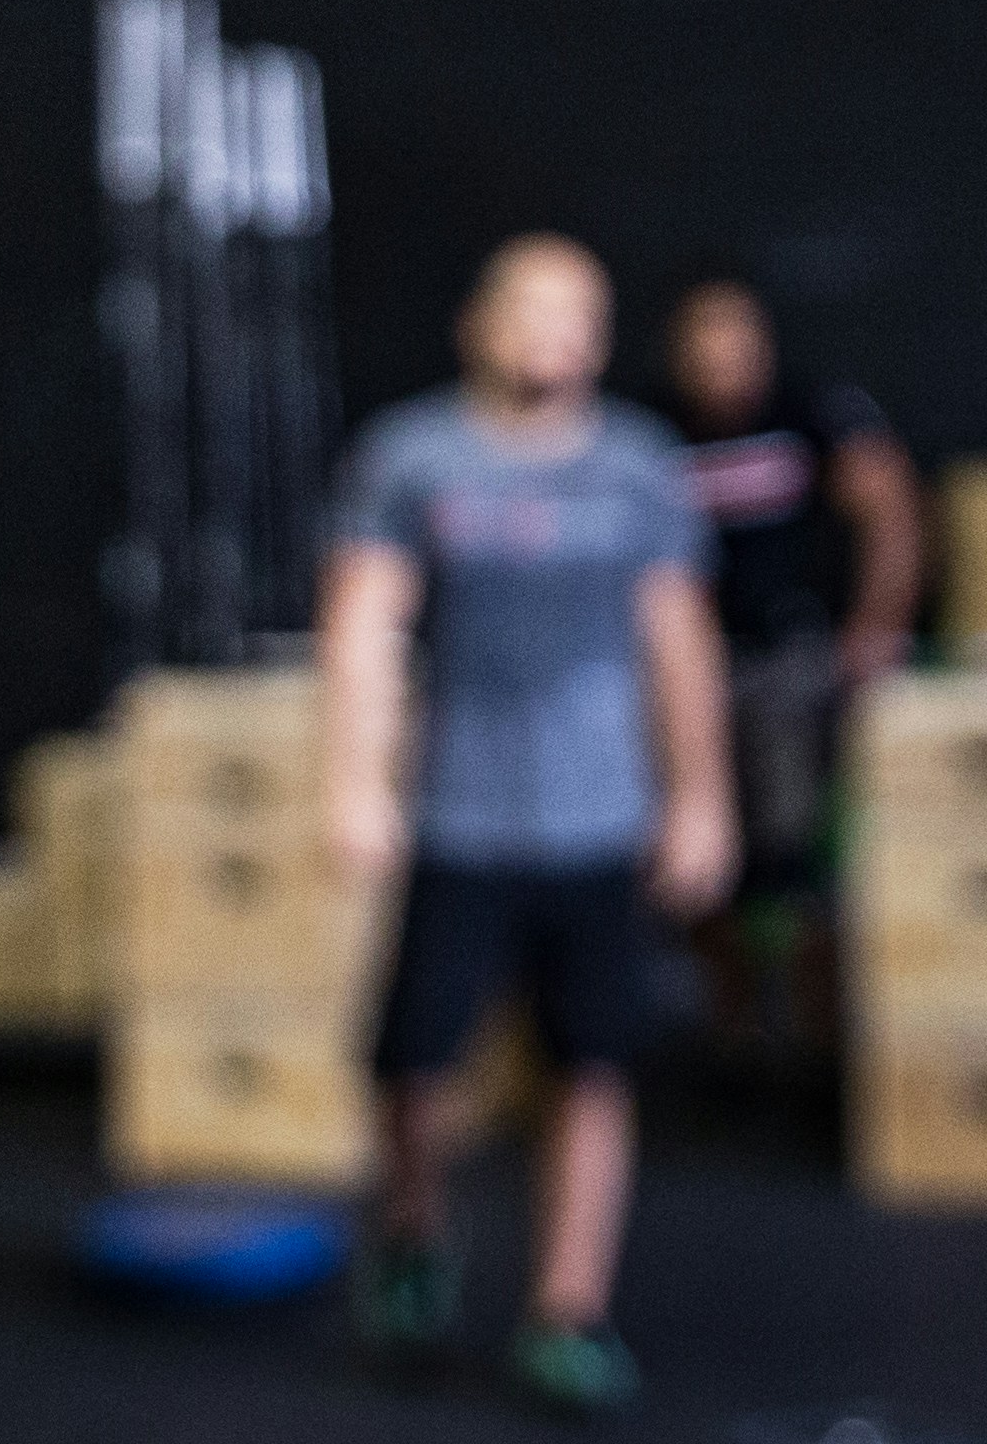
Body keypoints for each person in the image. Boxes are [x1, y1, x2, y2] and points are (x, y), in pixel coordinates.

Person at [323, 235, 734, 1416]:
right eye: (527, 310)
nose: (549, 333)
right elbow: (362, 627)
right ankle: (411, 1237)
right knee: (411, 1068)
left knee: (592, 1069)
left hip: (596, 824)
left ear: (599, 339)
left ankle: (566, 1312)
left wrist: (699, 800)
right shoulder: (413, 458)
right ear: (479, 325)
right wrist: (352, 785)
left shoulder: (638, 469)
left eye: (575, 314)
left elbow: (677, 642)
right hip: (455, 818)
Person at [660, 278, 921, 1050]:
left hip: (788, 667)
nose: (719, 357)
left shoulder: (809, 413)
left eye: (733, 337)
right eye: (702, 341)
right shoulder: (655, 431)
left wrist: (876, 626)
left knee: (795, 859)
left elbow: (890, 509)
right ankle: (732, 1037)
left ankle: (818, 1043)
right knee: (704, 868)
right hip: (690, 678)